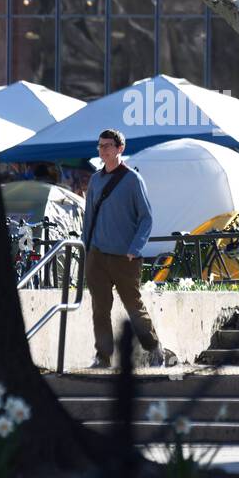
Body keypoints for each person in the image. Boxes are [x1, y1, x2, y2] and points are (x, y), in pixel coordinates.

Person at [82, 129, 173, 370]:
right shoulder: (94, 180)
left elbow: (146, 218)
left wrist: (135, 247)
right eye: (100, 146)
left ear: (120, 148)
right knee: (99, 309)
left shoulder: (133, 180)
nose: (103, 150)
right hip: (97, 255)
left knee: (134, 307)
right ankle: (103, 356)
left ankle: (155, 349)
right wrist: (86, 247)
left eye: (108, 145)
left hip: (125, 257)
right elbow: (88, 216)